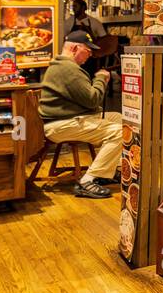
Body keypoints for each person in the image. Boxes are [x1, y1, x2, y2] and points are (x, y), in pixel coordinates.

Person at [39, 31, 123, 199]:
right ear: (76, 48)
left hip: (66, 119)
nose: (90, 55)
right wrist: (100, 79)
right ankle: (88, 181)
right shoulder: (68, 69)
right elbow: (92, 100)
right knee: (120, 131)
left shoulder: (62, 66)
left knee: (121, 119)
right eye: (88, 50)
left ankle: (108, 170)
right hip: (61, 125)